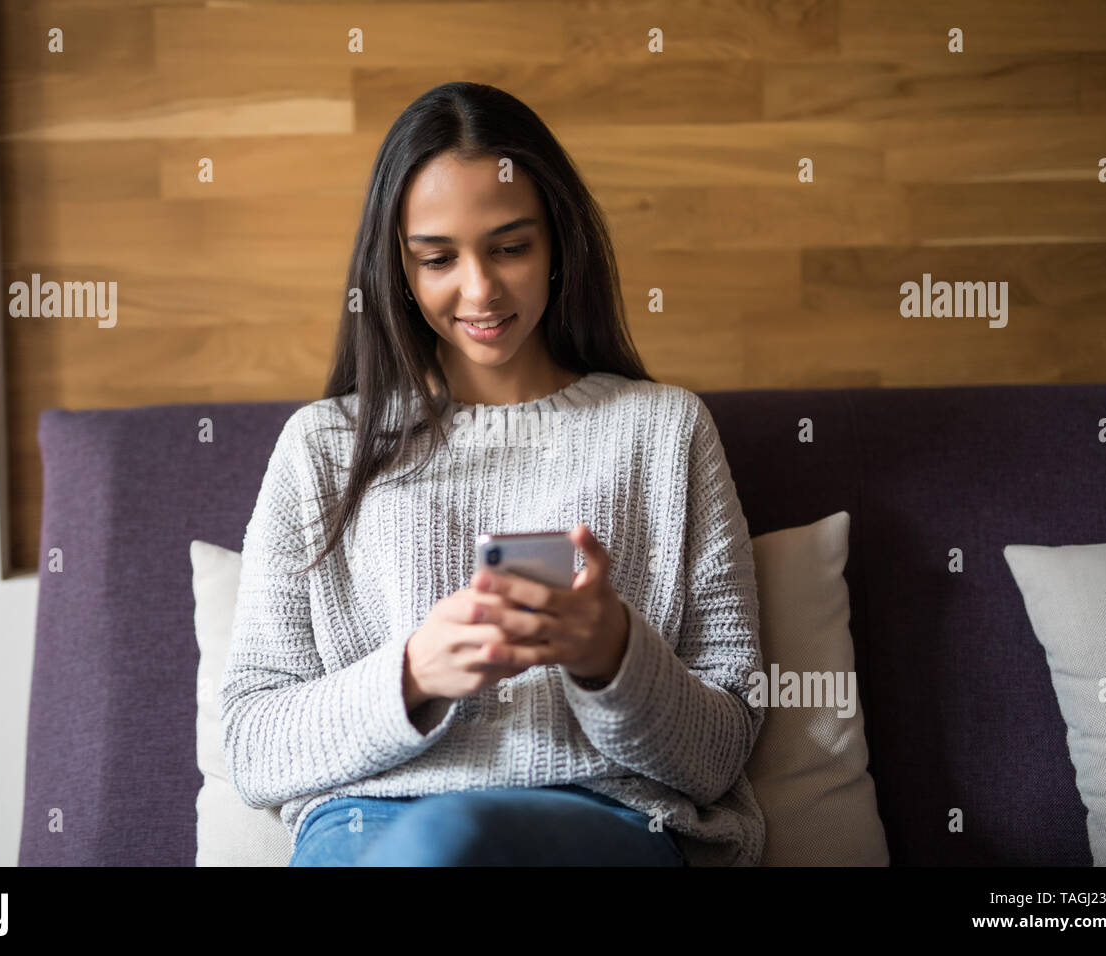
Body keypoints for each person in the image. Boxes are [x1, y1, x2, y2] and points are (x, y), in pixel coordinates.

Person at [219, 81, 765, 867]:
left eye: (511, 247)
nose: (479, 290)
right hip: (368, 826)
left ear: (559, 243)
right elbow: (253, 745)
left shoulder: (664, 431)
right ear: (397, 271)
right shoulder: (322, 448)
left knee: (455, 839)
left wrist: (613, 653)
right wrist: (412, 676)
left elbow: (719, 754)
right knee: (433, 843)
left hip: (602, 821)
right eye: (437, 258)